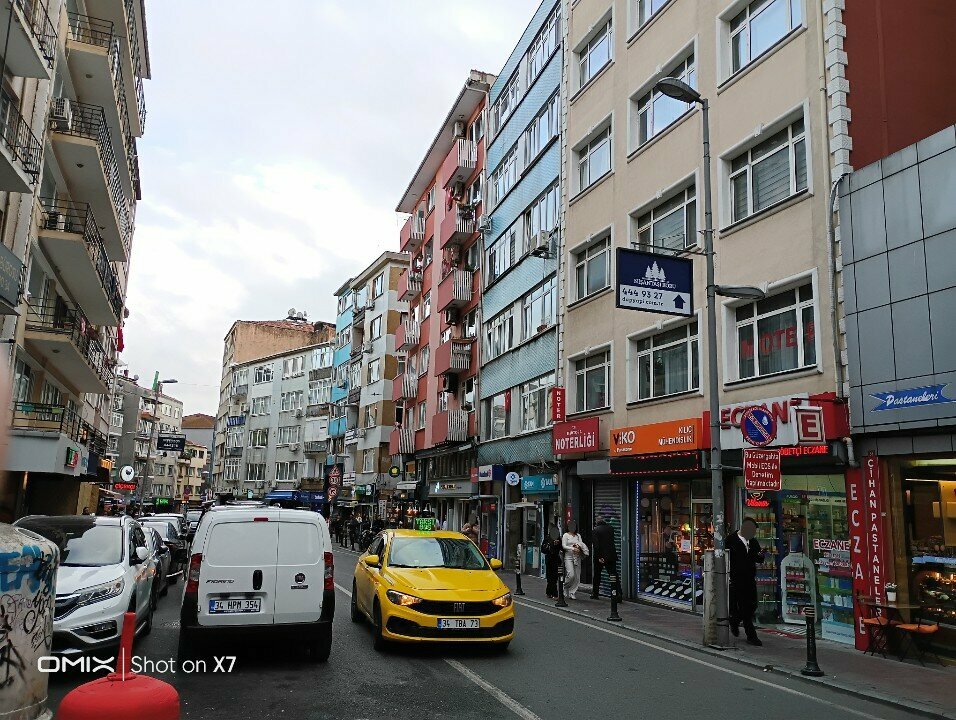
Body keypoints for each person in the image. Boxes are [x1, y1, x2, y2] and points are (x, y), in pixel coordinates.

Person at [728, 517, 765, 646]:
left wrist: (761, 556)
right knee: (744, 606)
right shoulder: (731, 540)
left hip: (750, 577)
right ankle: (751, 635)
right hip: (736, 578)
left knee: (752, 605)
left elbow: (759, 559)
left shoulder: (753, 542)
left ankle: (735, 620)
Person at [590, 516, 618, 599]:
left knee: (597, 575)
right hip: (611, 556)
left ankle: (595, 594)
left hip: (600, 557)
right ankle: (618, 594)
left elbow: (596, 545)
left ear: (597, 522)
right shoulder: (611, 528)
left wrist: (599, 557)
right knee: (613, 575)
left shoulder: (595, 530)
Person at [561, 521, 588, 599]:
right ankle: (565, 586)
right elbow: (564, 545)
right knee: (571, 574)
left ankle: (572, 592)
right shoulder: (565, 535)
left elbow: (581, 544)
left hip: (577, 557)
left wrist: (579, 547)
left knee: (577, 576)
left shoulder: (578, 535)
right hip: (568, 557)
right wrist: (572, 548)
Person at [541, 520, 562, 599]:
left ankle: (552, 592)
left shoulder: (559, 539)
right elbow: (543, 550)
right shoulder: (547, 538)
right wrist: (550, 545)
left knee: (555, 577)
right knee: (550, 577)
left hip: (556, 559)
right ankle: (551, 592)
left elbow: (562, 548)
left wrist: (558, 544)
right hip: (549, 559)